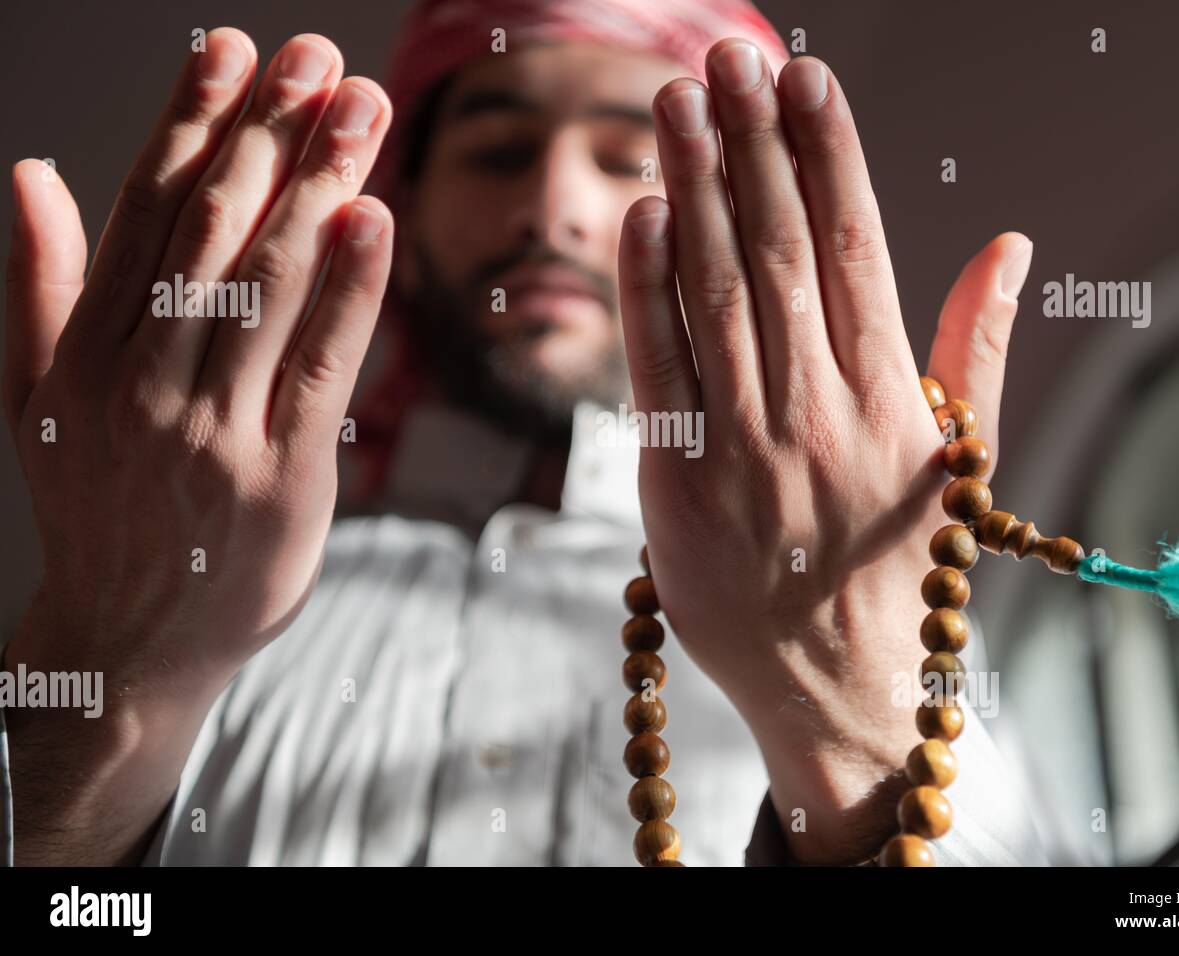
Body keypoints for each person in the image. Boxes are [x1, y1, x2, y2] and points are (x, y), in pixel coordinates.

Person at [1, 0, 1044, 865]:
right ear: (400, 231)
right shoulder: (210, 605)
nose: (552, 204)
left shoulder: (905, 622)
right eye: (498, 150)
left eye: (633, 153)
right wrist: (108, 666)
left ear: (745, 227)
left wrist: (854, 711)